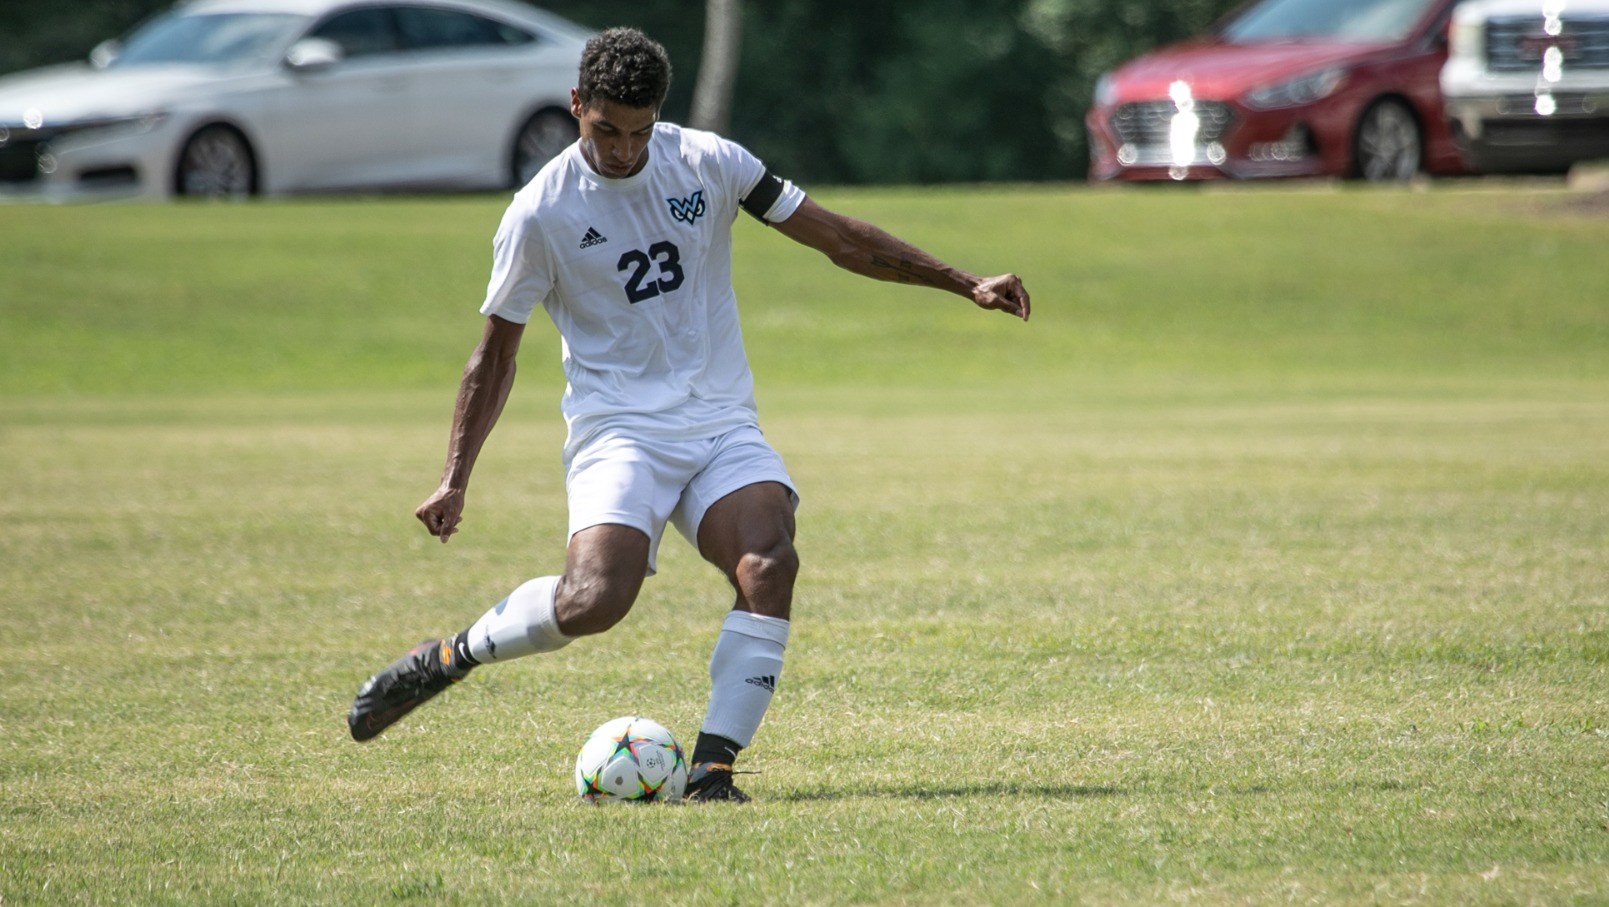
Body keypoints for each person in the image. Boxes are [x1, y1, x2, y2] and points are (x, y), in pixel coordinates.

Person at [346, 26, 1030, 802]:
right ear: (577, 106)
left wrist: (962, 280)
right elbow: (494, 356)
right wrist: (454, 477)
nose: (622, 152)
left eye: (638, 133)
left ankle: (711, 771)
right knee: (594, 601)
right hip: (619, 432)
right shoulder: (539, 215)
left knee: (768, 559)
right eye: (605, 131)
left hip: (718, 424)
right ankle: (447, 658)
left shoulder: (710, 162)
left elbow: (838, 239)